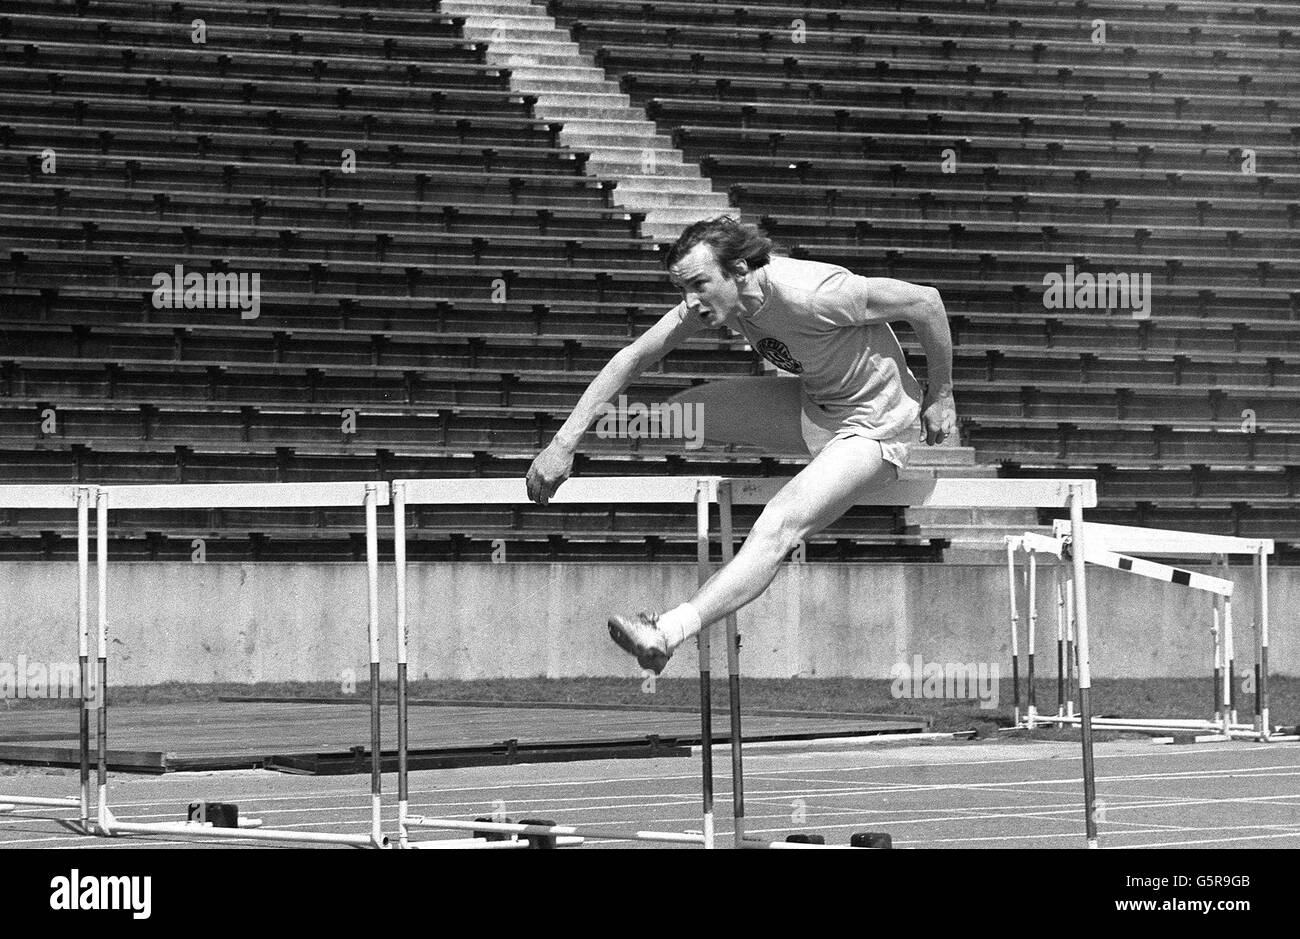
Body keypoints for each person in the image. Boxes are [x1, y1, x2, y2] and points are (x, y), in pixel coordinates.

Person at [525, 217, 958, 673]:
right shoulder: (722, 301)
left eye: (698, 284)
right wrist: (563, 443)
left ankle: (665, 631)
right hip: (816, 405)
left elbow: (925, 302)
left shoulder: (814, 292)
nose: (691, 302)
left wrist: (941, 394)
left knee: (778, 523)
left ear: (738, 270)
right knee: (679, 415)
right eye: (682, 289)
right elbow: (632, 357)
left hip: (875, 427)